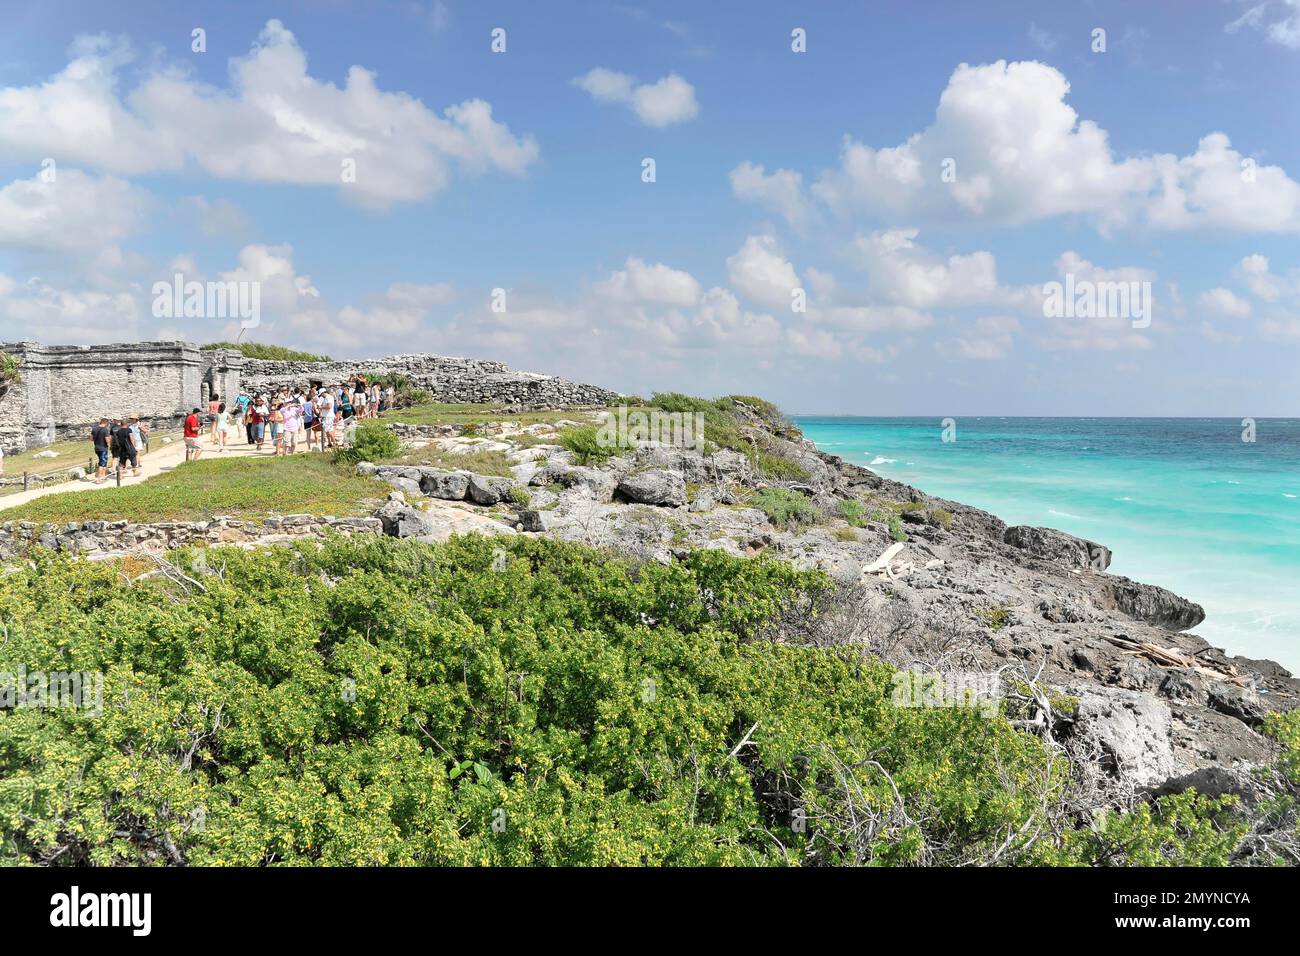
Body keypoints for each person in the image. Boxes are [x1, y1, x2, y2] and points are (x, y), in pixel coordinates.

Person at [91, 417, 112, 482]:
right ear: (105, 423)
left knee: (104, 461)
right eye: (108, 423)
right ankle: (99, 479)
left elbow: (91, 439)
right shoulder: (105, 430)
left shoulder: (94, 429)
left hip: (97, 447)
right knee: (102, 463)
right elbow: (107, 440)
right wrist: (110, 441)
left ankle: (103, 476)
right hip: (103, 448)